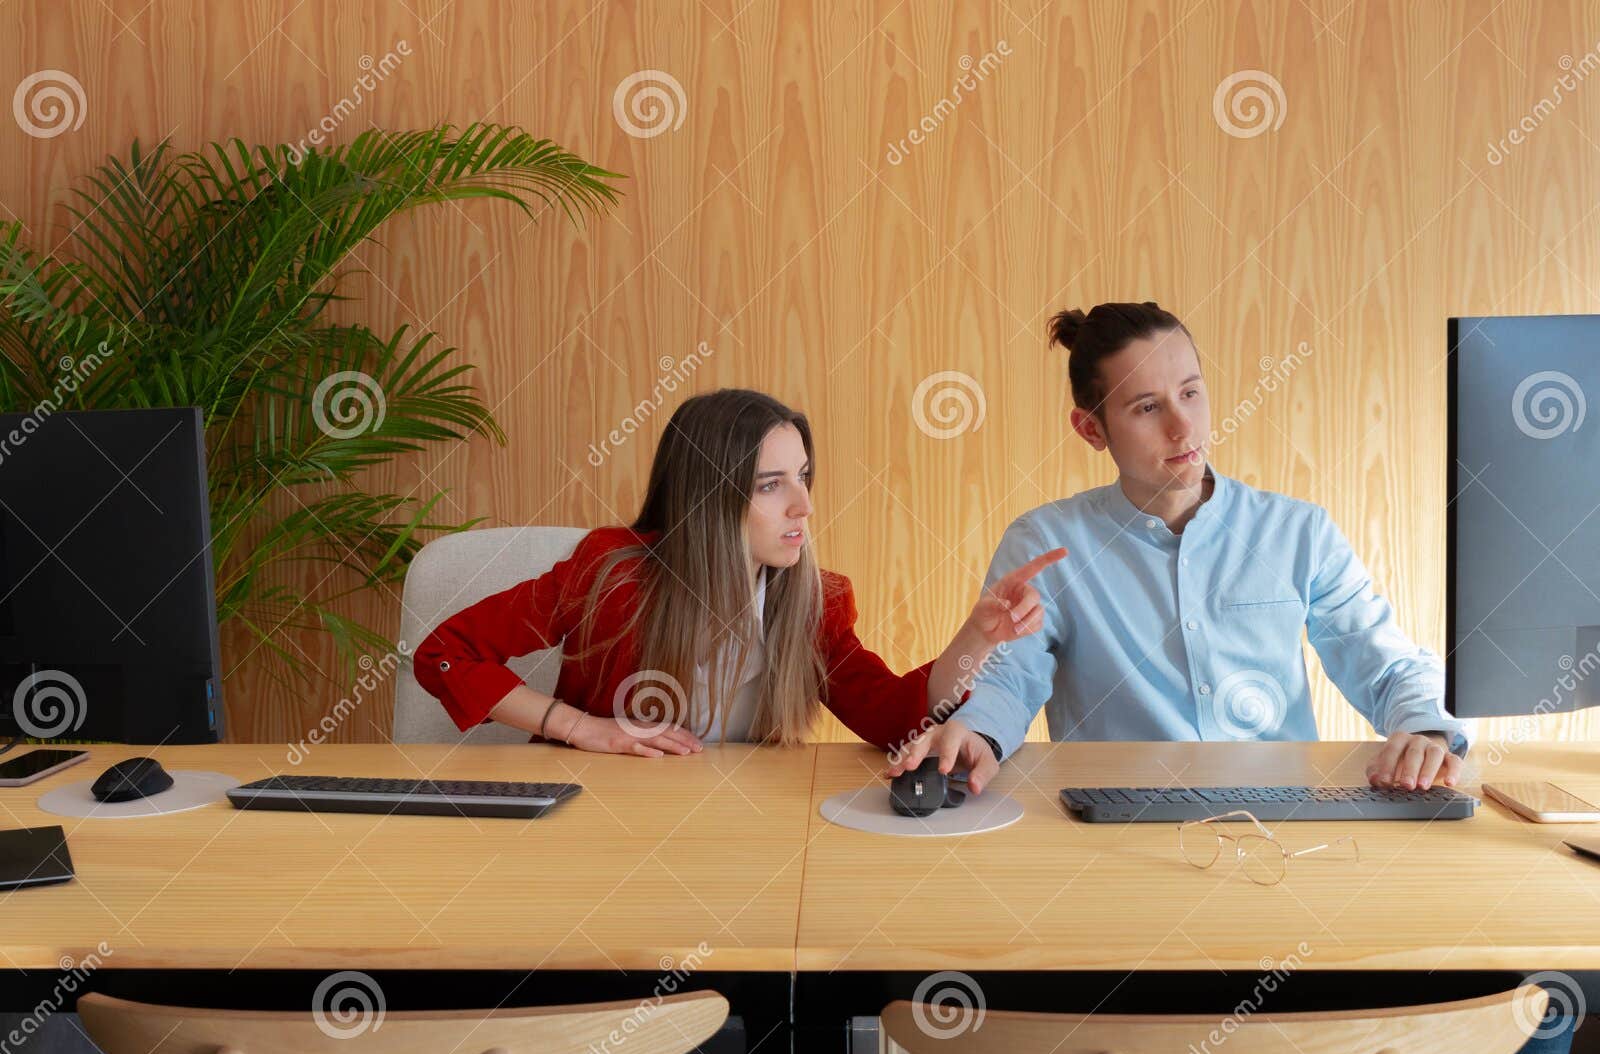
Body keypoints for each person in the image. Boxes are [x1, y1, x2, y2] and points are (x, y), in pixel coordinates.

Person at [892, 301, 1470, 795]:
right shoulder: (1046, 543)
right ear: (1091, 430)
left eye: (1190, 393)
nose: (1183, 427)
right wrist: (977, 733)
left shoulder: (1299, 533)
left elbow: (1386, 662)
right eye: (1147, 407)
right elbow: (1003, 683)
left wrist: (1425, 729)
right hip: (1115, 828)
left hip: (1281, 824)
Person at [414, 388, 1065, 753]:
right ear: (709, 493)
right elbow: (446, 654)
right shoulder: (607, 574)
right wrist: (581, 727)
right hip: (603, 830)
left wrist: (975, 639)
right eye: (771, 484)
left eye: (804, 478)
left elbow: (897, 719)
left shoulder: (815, 600)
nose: (804, 506)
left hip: (736, 833)